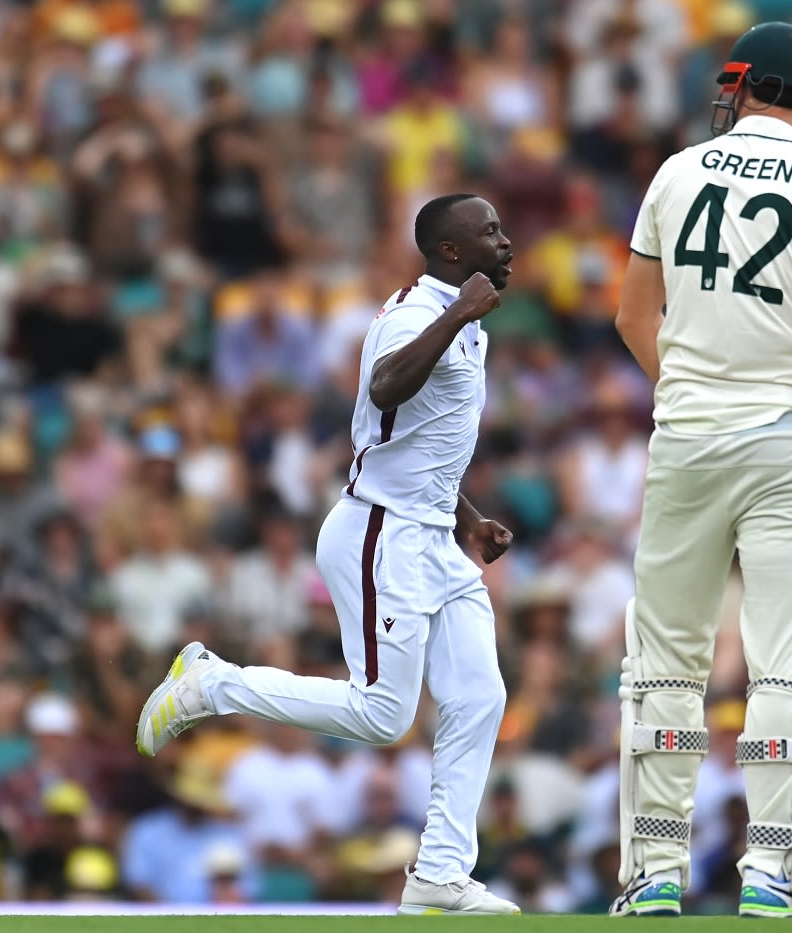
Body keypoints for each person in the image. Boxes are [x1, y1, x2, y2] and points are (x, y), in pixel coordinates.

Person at [134, 193, 521, 916]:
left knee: (480, 693)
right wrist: (458, 314)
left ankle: (440, 869)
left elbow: (415, 437)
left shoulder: (466, 320)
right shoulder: (417, 315)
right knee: (382, 715)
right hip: (381, 532)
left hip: (431, 533)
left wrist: (468, 517)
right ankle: (211, 685)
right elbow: (383, 388)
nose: (506, 240)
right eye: (490, 231)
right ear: (451, 253)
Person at [610, 21, 792, 918]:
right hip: (789, 442)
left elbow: (634, 317)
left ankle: (656, 870)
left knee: (664, 658)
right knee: (788, 665)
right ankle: (772, 873)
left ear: (739, 88)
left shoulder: (675, 170)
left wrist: (701, 399)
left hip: (686, 440)